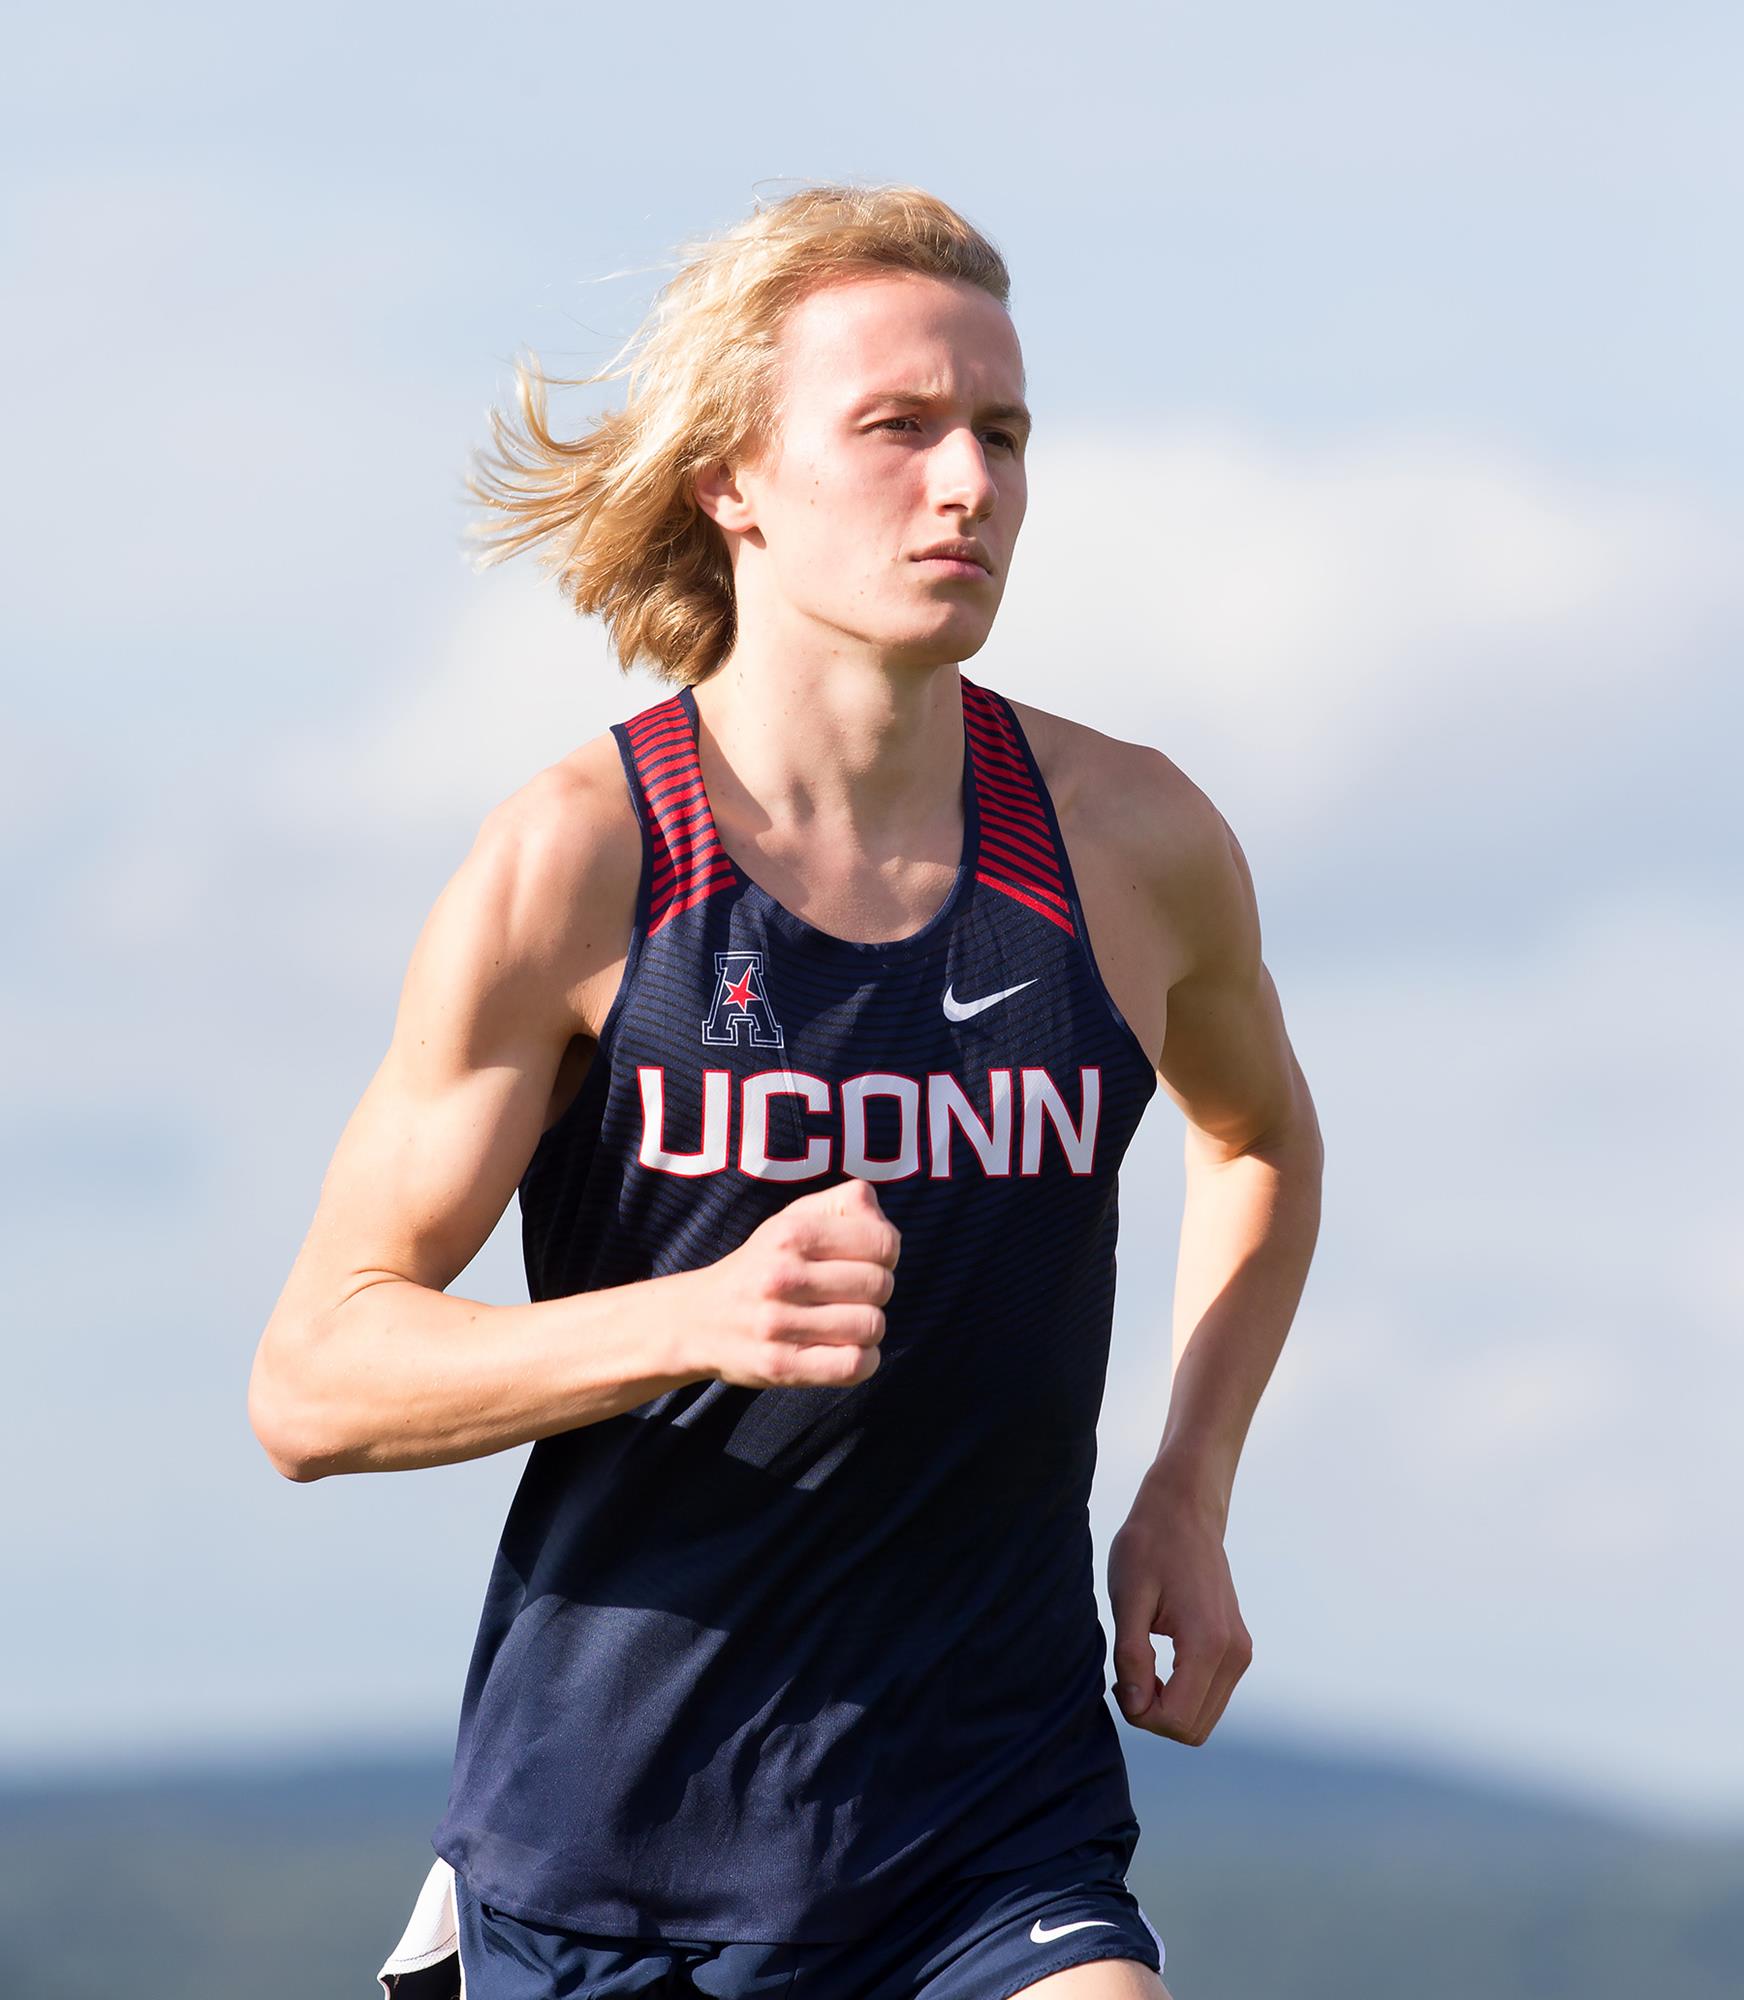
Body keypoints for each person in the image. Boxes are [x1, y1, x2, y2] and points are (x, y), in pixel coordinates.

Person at [249, 181, 1323, 2000]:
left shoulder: (1136, 844)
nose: (970, 483)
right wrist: (690, 1317)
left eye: (1000, 432)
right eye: (897, 429)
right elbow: (315, 1379)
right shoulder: (581, 861)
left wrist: (1192, 1486)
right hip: (606, 1860)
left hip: (992, 1838)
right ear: (733, 482)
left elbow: (1259, 1137)